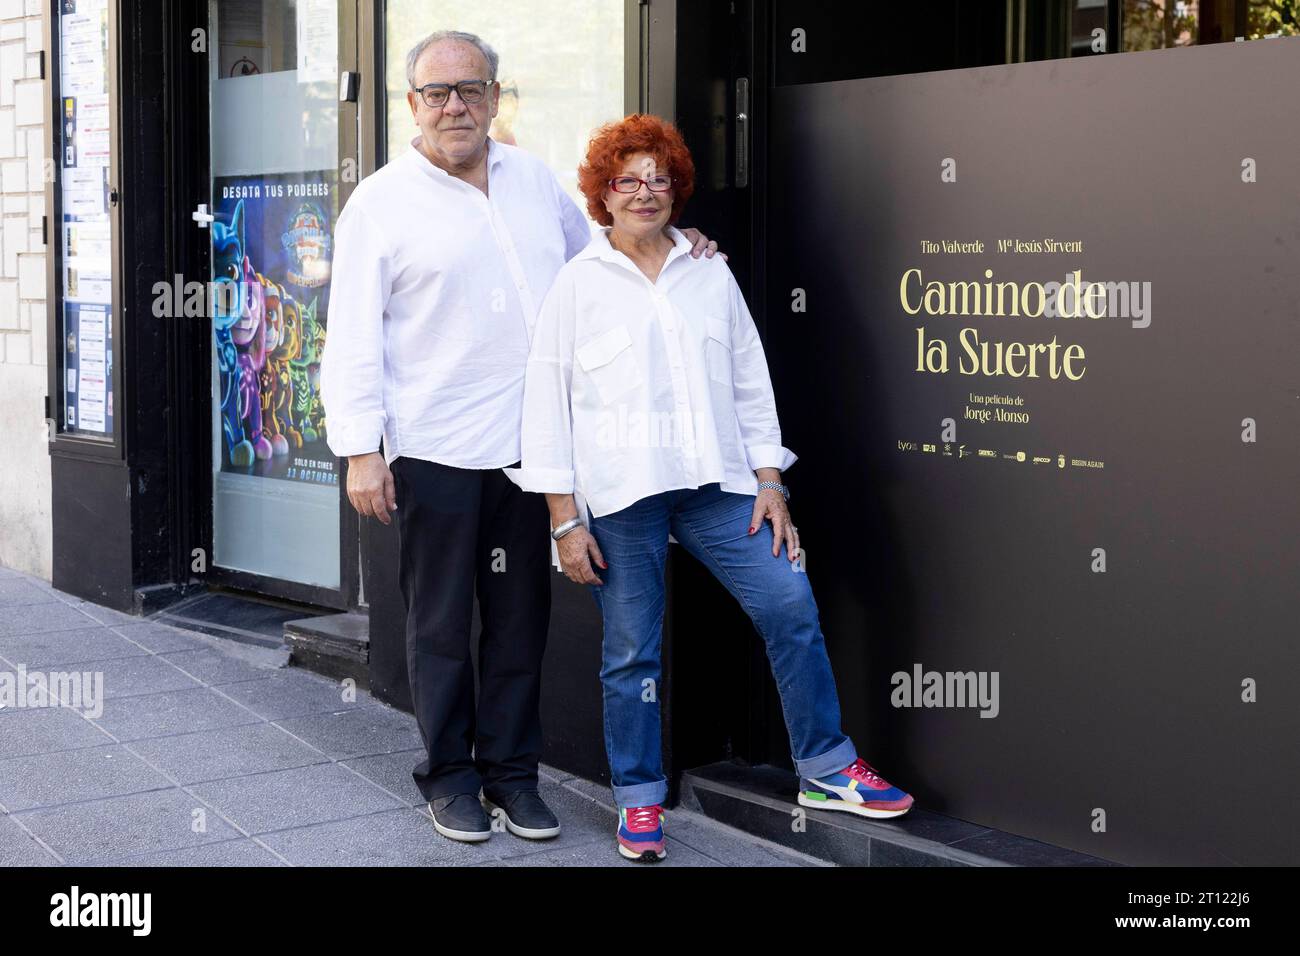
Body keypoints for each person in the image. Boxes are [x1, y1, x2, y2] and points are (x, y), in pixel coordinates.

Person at [320, 32, 719, 845]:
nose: (455, 105)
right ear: (412, 107)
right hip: (432, 449)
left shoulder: (535, 182)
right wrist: (361, 449)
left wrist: (677, 244)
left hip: (533, 453)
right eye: (437, 93)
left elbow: (601, 266)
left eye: (471, 88)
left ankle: (512, 775)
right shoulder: (381, 203)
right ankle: (450, 777)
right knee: (438, 627)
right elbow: (351, 334)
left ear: (496, 96)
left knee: (519, 622)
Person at [517, 114, 914, 863]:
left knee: (789, 602)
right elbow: (544, 407)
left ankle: (826, 769)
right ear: (603, 193)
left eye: (659, 179)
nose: (645, 192)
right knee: (631, 651)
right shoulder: (577, 283)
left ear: (677, 191)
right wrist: (564, 522)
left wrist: (771, 483)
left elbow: (748, 380)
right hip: (622, 494)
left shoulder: (709, 270)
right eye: (628, 180)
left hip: (717, 485)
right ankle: (638, 800)